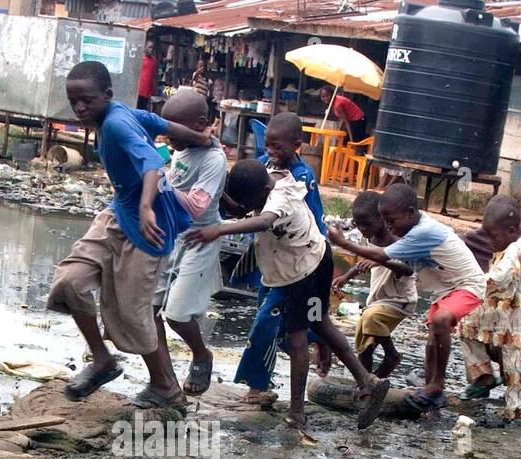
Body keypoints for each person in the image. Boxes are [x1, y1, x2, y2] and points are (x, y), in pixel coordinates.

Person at [45, 60, 212, 408]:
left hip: (145, 226)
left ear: (107, 95)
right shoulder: (122, 113)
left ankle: (165, 387)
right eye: (73, 101)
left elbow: (152, 163)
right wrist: (201, 138)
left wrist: (147, 207)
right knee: (69, 282)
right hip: (117, 213)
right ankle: (102, 360)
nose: (80, 108)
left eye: (87, 100)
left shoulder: (118, 124)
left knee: (135, 315)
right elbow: (163, 125)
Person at [187, 160, 389, 431]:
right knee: (320, 324)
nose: (245, 210)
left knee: (297, 339)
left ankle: (297, 412)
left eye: (249, 204)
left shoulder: (280, 196)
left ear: (263, 191)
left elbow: (264, 220)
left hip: (303, 275)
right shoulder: (264, 183)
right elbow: (241, 209)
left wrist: (219, 230)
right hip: (314, 261)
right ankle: (368, 382)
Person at [328, 183, 486, 413]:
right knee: (433, 334)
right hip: (446, 290)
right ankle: (430, 387)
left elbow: (381, 254)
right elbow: (399, 264)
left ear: (411, 212)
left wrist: (343, 243)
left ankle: (436, 386)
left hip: (468, 285)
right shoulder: (413, 231)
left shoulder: (424, 232)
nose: (390, 227)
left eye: (392, 221)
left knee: (441, 321)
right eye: (387, 222)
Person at [233, 111, 329, 404]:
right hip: (271, 259)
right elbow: (247, 203)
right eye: (268, 146)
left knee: (272, 319)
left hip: (298, 261)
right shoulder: (262, 167)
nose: (272, 153)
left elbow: (311, 220)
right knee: (285, 320)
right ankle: (319, 343)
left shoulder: (301, 177)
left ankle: (258, 386)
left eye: (279, 148)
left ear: (297, 145)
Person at [152, 88, 228, 396]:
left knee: (177, 314)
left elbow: (196, 205)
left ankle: (201, 353)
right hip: (170, 235)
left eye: (175, 128)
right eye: (167, 127)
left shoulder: (213, 158)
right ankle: (164, 377)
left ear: (199, 124)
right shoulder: (181, 146)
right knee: (151, 310)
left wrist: (159, 183)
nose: (170, 134)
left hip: (199, 238)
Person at [457, 196, 521, 419]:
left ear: (510, 231)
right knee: (466, 326)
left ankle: (517, 412)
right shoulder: (509, 245)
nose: (489, 241)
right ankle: (484, 375)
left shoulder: (516, 250)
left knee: (516, 366)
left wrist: (472, 282)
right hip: (509, 313)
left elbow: (499, 278)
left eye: (492, 236)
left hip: (520, 320)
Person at [331, 190, 416, 380]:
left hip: (399, 300)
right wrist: (346, 276)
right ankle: (366, 381)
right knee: (364, 340)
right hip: (378, 299)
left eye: (366, 224)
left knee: (370, 318)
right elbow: (366, 262)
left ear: (381, 218)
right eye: (357, 224)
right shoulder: (370, 239)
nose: (362, 229)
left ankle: (391, 355)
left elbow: (408, 269)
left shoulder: (396, 240)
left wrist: (382, 260)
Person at [138, 44, 158, 111]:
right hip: (138, 90)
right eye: (149, 47)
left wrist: (154, 89)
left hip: (147, 91)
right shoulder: (140, 59)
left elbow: (154, 75)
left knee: (144, 110)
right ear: (144, 48)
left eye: (153, 48)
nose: (151, 50)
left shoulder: (154, 60)